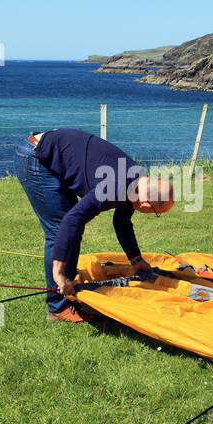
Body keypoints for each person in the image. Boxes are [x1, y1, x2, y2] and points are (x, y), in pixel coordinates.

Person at [14, 128, 174, 322]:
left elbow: (121, 221)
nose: (152, 214)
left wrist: (136, 260)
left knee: (72, 227)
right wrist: (59, 272)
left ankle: (68, 292)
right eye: (156, 213)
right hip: (35, 157)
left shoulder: (137, 181)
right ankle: (58, 307)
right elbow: (72, 220)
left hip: (50, 149)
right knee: (60, 228)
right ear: (146, 204)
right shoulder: (114, 187)